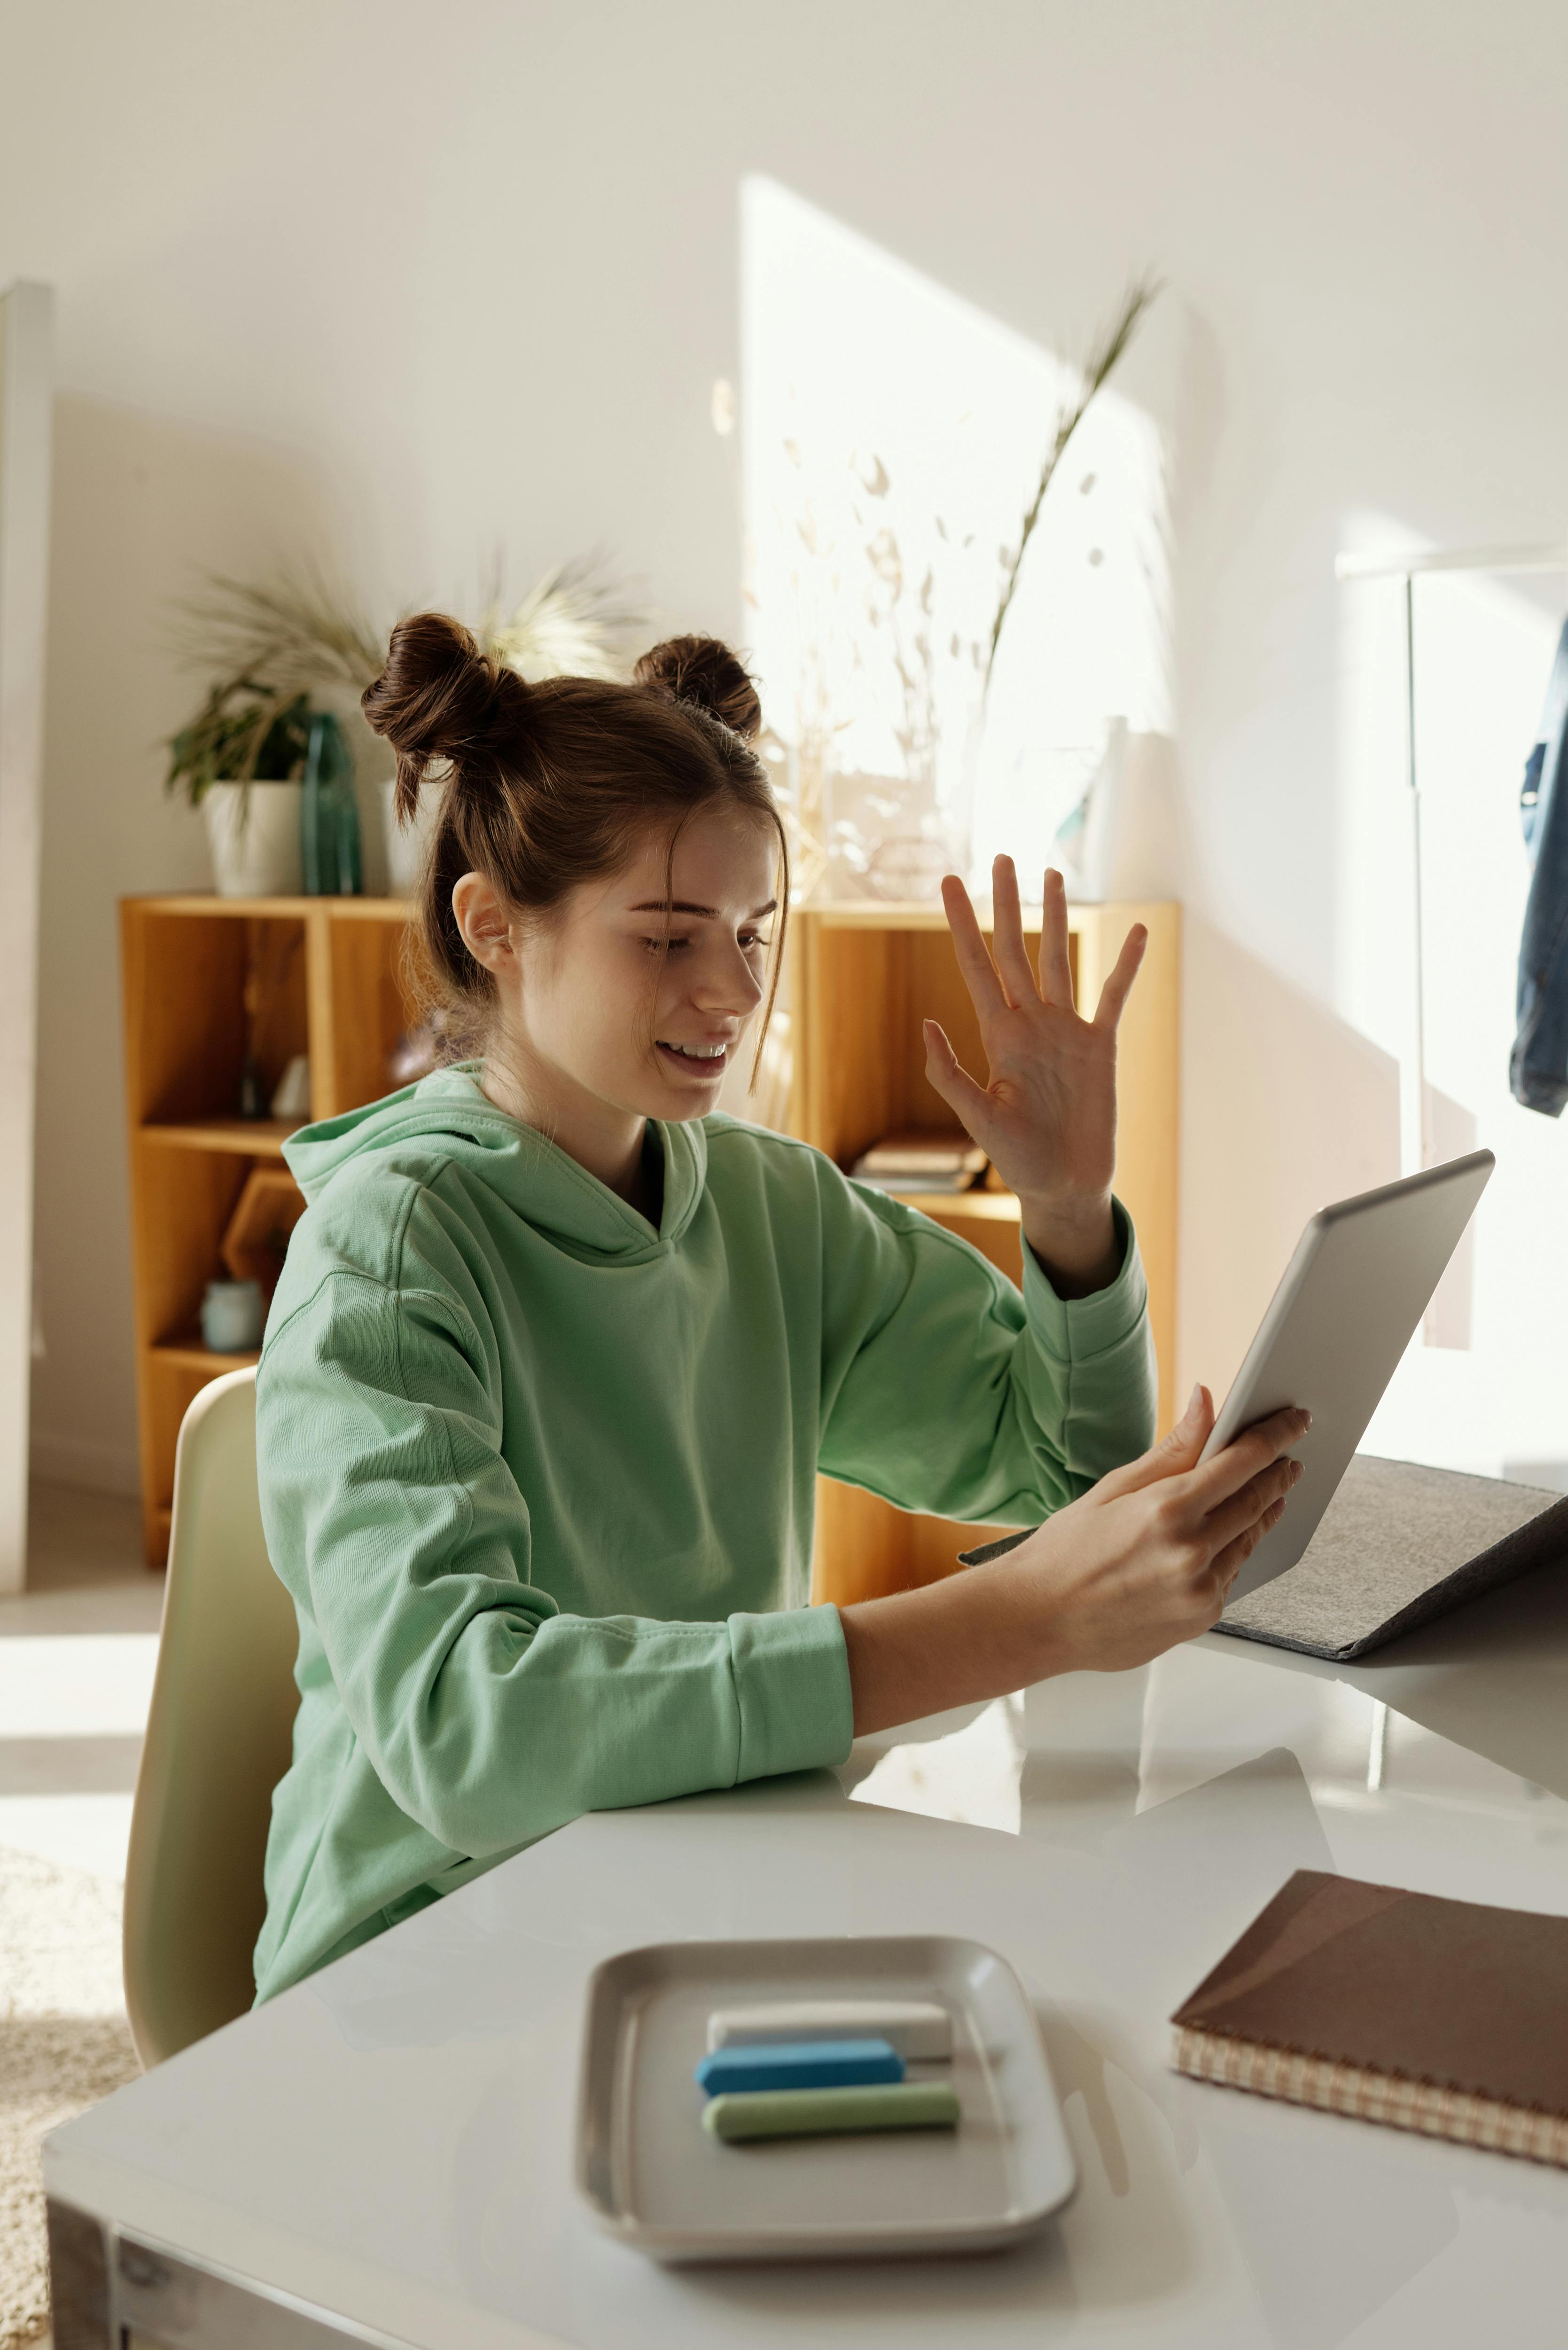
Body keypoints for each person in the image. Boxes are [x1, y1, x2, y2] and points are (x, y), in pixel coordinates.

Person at [251, 617, 1305, 2003]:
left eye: (751, 935)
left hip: (698, 1881)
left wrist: (1066, 1216)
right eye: (671, 934)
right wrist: (1006, 1626)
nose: (735, 992)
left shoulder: (766, 1206)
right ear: (494, 927)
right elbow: (471, 1736)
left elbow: (1065, 1484)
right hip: (423, 1968)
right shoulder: (389, 1254)